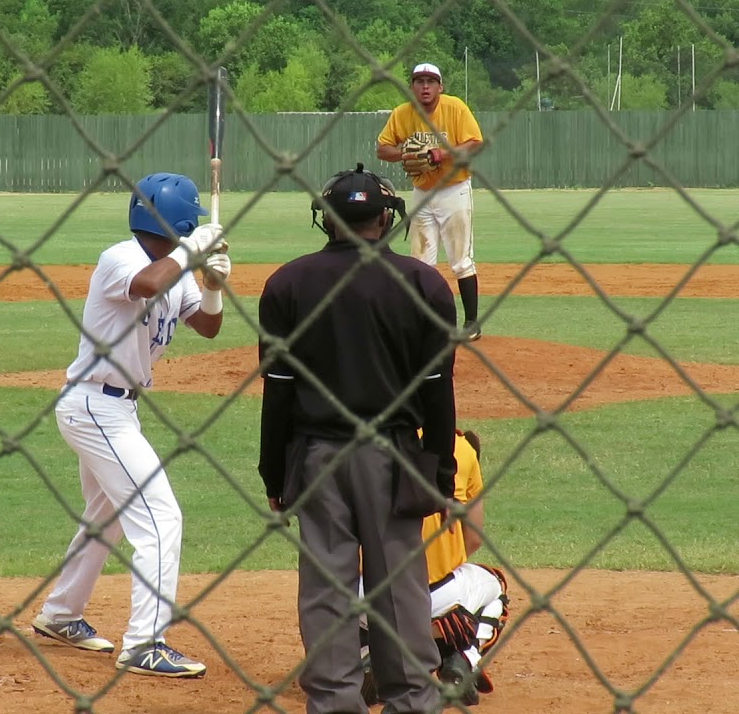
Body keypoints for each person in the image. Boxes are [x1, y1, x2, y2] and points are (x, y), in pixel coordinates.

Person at [258, 163, 459, 713]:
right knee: (399, 588)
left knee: (326, 592)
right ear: (385, 218)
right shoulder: (422, 284)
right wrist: (440, 471)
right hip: (393, 456)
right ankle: (413, 700)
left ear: (326, 219)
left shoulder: (288, 284)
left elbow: (277, 392)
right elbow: (439, 393)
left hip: (316, 455)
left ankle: (334, 704)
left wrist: (273, 473)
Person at [32, 172, 231, 679]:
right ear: (181, 221)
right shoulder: (122, 257)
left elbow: (207, 328)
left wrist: (212, 288)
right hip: (95, 407)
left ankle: (59, 614)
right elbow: (146, 284)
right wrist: (192, 253)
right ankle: (145, 642)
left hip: (115, 410)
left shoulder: (175, 269)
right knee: (161, 518)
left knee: (107, 517)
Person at [359, 429, 510, 708]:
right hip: (438, 595)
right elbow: (474, 537)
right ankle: (462, 660)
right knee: (494, 584)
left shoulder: (372, 441)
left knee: (344, 593)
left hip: (370, 593)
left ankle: (367, 657)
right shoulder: (461, 449)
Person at [377, 62, 485, 341]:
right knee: (421, 262)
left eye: (430, 81)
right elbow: (382, 148)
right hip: (422, 193)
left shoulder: (455, 108)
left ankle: (472, 323)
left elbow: (475, 143)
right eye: (419, 81)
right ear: (411, 87)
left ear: (440, 86)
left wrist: (440, 154)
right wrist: (406, 153)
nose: (425, 86)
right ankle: (423, 323)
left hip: (454, 189)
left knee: (461, 260)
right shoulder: (402, 114)